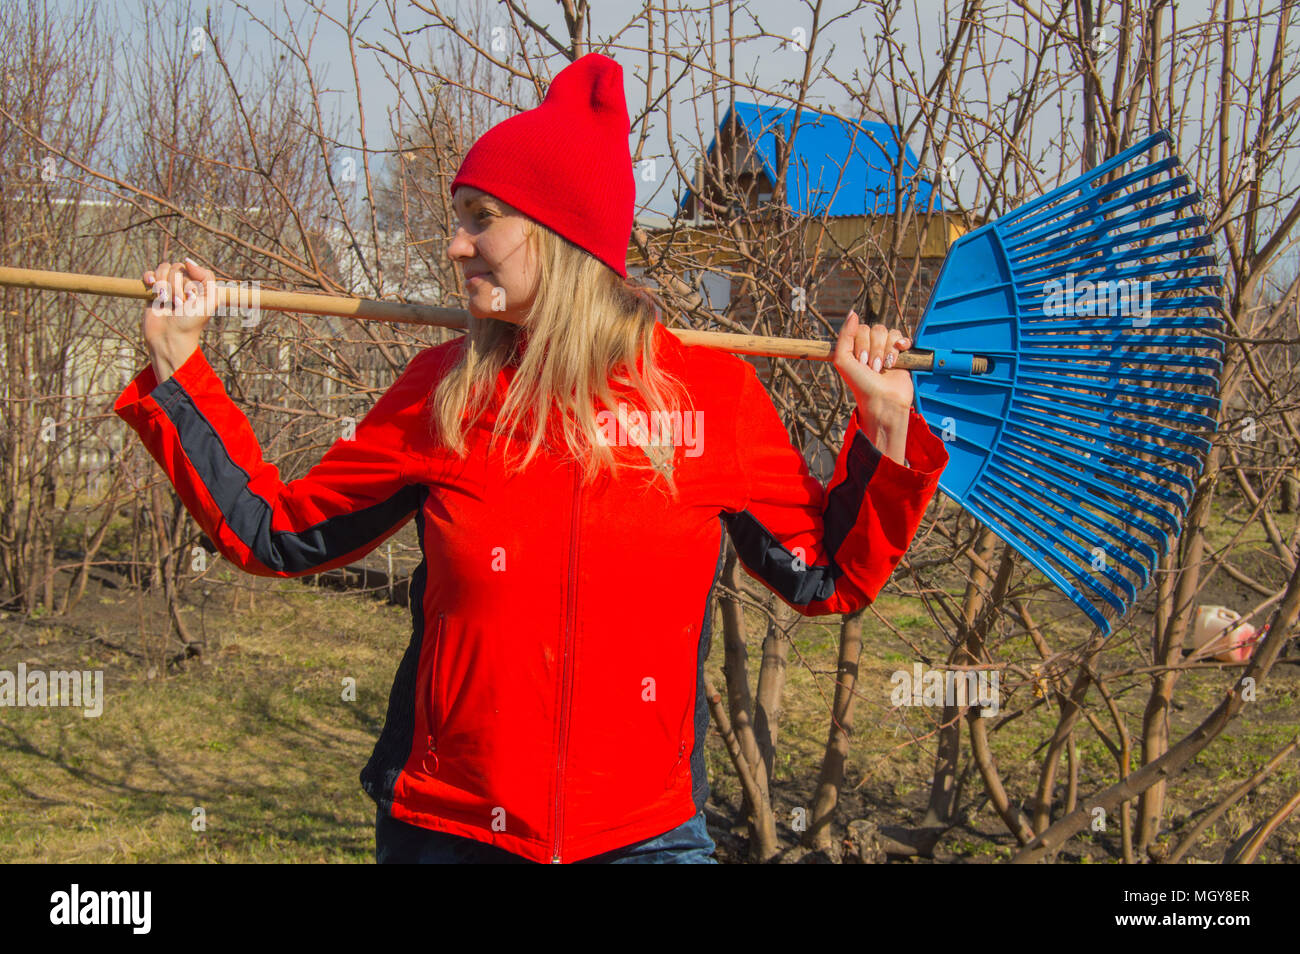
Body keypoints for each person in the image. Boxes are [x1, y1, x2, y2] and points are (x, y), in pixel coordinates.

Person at [114, 52, 949, 864]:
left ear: (558, 233)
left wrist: (884, 429)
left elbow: (828, 577)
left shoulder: (708, 399)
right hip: (450, 831)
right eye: (459, 217)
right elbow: (275, 532)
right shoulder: (445, 392)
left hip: (646, 839)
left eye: (481, 217)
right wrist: (178, 368)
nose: (454, 244)